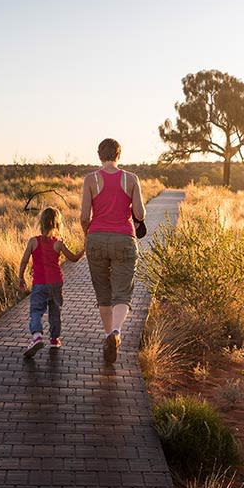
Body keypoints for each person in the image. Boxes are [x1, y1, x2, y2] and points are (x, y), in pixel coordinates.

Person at [80, 138, 145, 364]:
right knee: (122, 293)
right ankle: (116, 332)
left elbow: (84, 217)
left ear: (99, 155)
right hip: (124, 239)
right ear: (119, 155)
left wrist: (87, 235)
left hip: (96, 238)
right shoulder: (131, 179)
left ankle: (108, 334)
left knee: (103, 293)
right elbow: (140, 213)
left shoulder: (90, 179)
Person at [17, 207, 84, 358]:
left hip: (40, 283)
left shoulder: (33, 241)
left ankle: (37, 336)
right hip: (56, 283)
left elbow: (24, 260)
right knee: (55, 311)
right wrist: (84, 250)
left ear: (41, 222)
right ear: (57, 224)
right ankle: (54, 339)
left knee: (36, 310)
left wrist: (21, 277)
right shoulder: (58, 243)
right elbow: (73, 258)